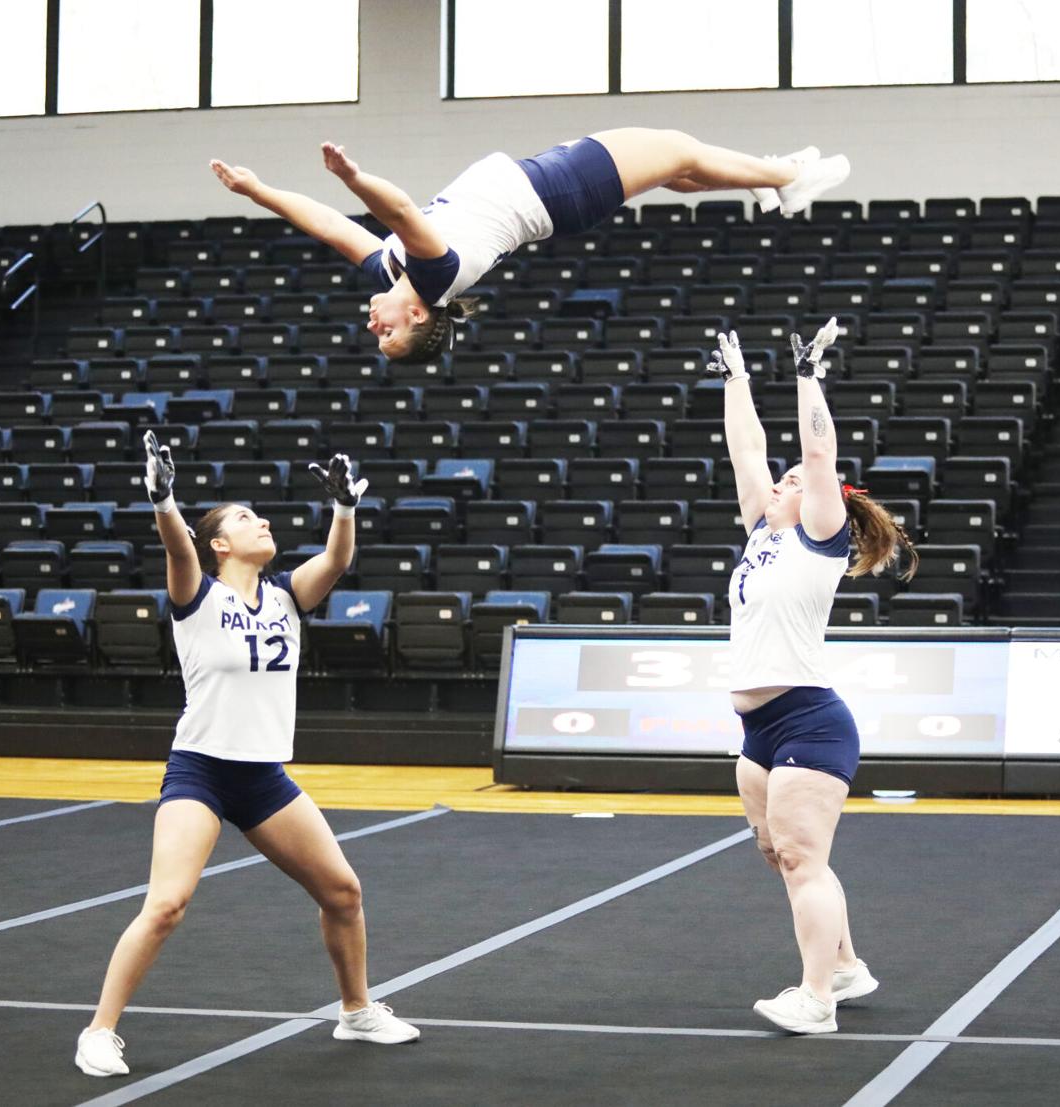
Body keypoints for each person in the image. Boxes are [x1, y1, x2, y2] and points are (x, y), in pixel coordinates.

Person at [75, 435, 418, 1077]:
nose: (261, 521)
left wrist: (344, 508)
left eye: (260, 515)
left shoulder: (286, 595)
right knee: (167, 904)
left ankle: (356, 1011)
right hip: (201, 771)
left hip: (263, 778)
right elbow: (178, 547)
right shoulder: (198, 595)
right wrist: (163, 498)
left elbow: (337, 560)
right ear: (220, 545)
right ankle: (99, 1031)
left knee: (343, 892)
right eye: (243, 517)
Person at [708, 320, 918, 1034]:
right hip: (758, 730)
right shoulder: (761, 533)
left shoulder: (819, 538)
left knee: (803, 858)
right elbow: (746, 452)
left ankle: (817, 998)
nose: (779, 483)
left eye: (791, 482)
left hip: (809, 721)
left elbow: (818, 453)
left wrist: (807, 376)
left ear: (822, 500)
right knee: (781, 854)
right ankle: (847, 964)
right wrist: (736, 381)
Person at [210, 131, 849, 362]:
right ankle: (790, 176)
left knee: (678, 173)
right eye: (389, 334)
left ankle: (765, 184)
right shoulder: (434, 273)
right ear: (419, 316)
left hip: (551, 188)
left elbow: (327, 226)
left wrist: (257, 190)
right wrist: (353, 176)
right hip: (560, 188)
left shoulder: (392, 270)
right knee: (678, 150)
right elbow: (397, 209)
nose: (374, 325)